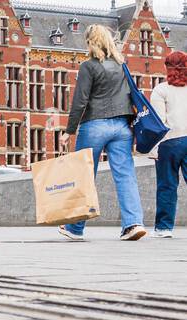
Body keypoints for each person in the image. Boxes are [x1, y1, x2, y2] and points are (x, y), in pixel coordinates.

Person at [59, 24, 145, 242]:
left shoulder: (88, 66)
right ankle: (133, 224)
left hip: (95, 125)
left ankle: (75, 228)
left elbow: (80, 101)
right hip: (122, 127)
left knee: (85, 175)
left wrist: (69, 131)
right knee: (125, 176)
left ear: (90, 42)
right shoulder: (121, 65)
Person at [150, 50, 187, 236]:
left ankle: (164, 228)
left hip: (170, 142)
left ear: (167, 68)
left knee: (167, 185)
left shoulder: (160, 90)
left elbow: (158, 122)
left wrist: (154, 148)